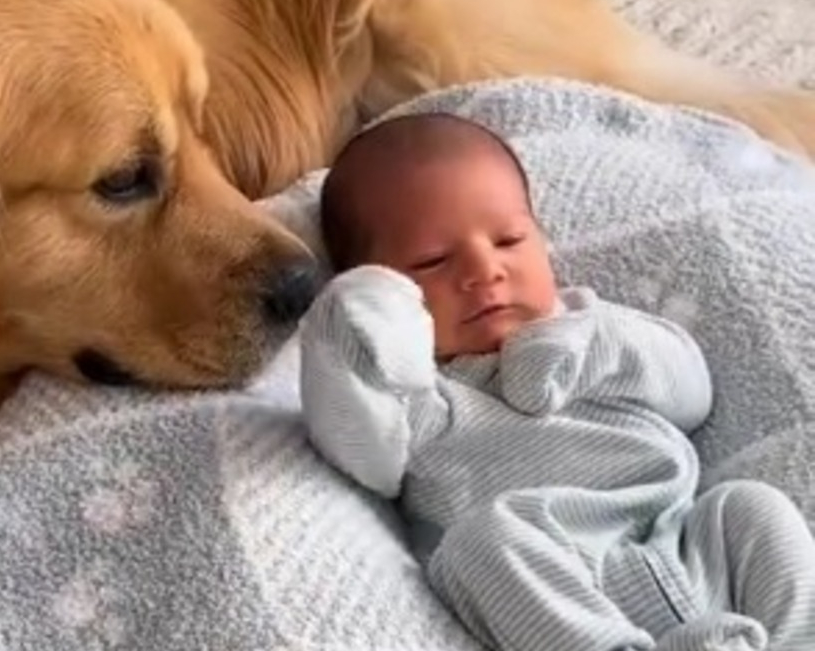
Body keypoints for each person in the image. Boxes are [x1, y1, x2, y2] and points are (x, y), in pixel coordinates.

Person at [299, 112, 815, 651]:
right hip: (557, 598)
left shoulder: (585, 321)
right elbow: (358, 447)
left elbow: (691, 395)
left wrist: (586, 346)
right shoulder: (423, 396)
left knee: (750, 506)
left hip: (681, 540)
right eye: (432, 261)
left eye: (508, 238)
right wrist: (358, 325)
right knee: (480, 544)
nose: (484, 270)